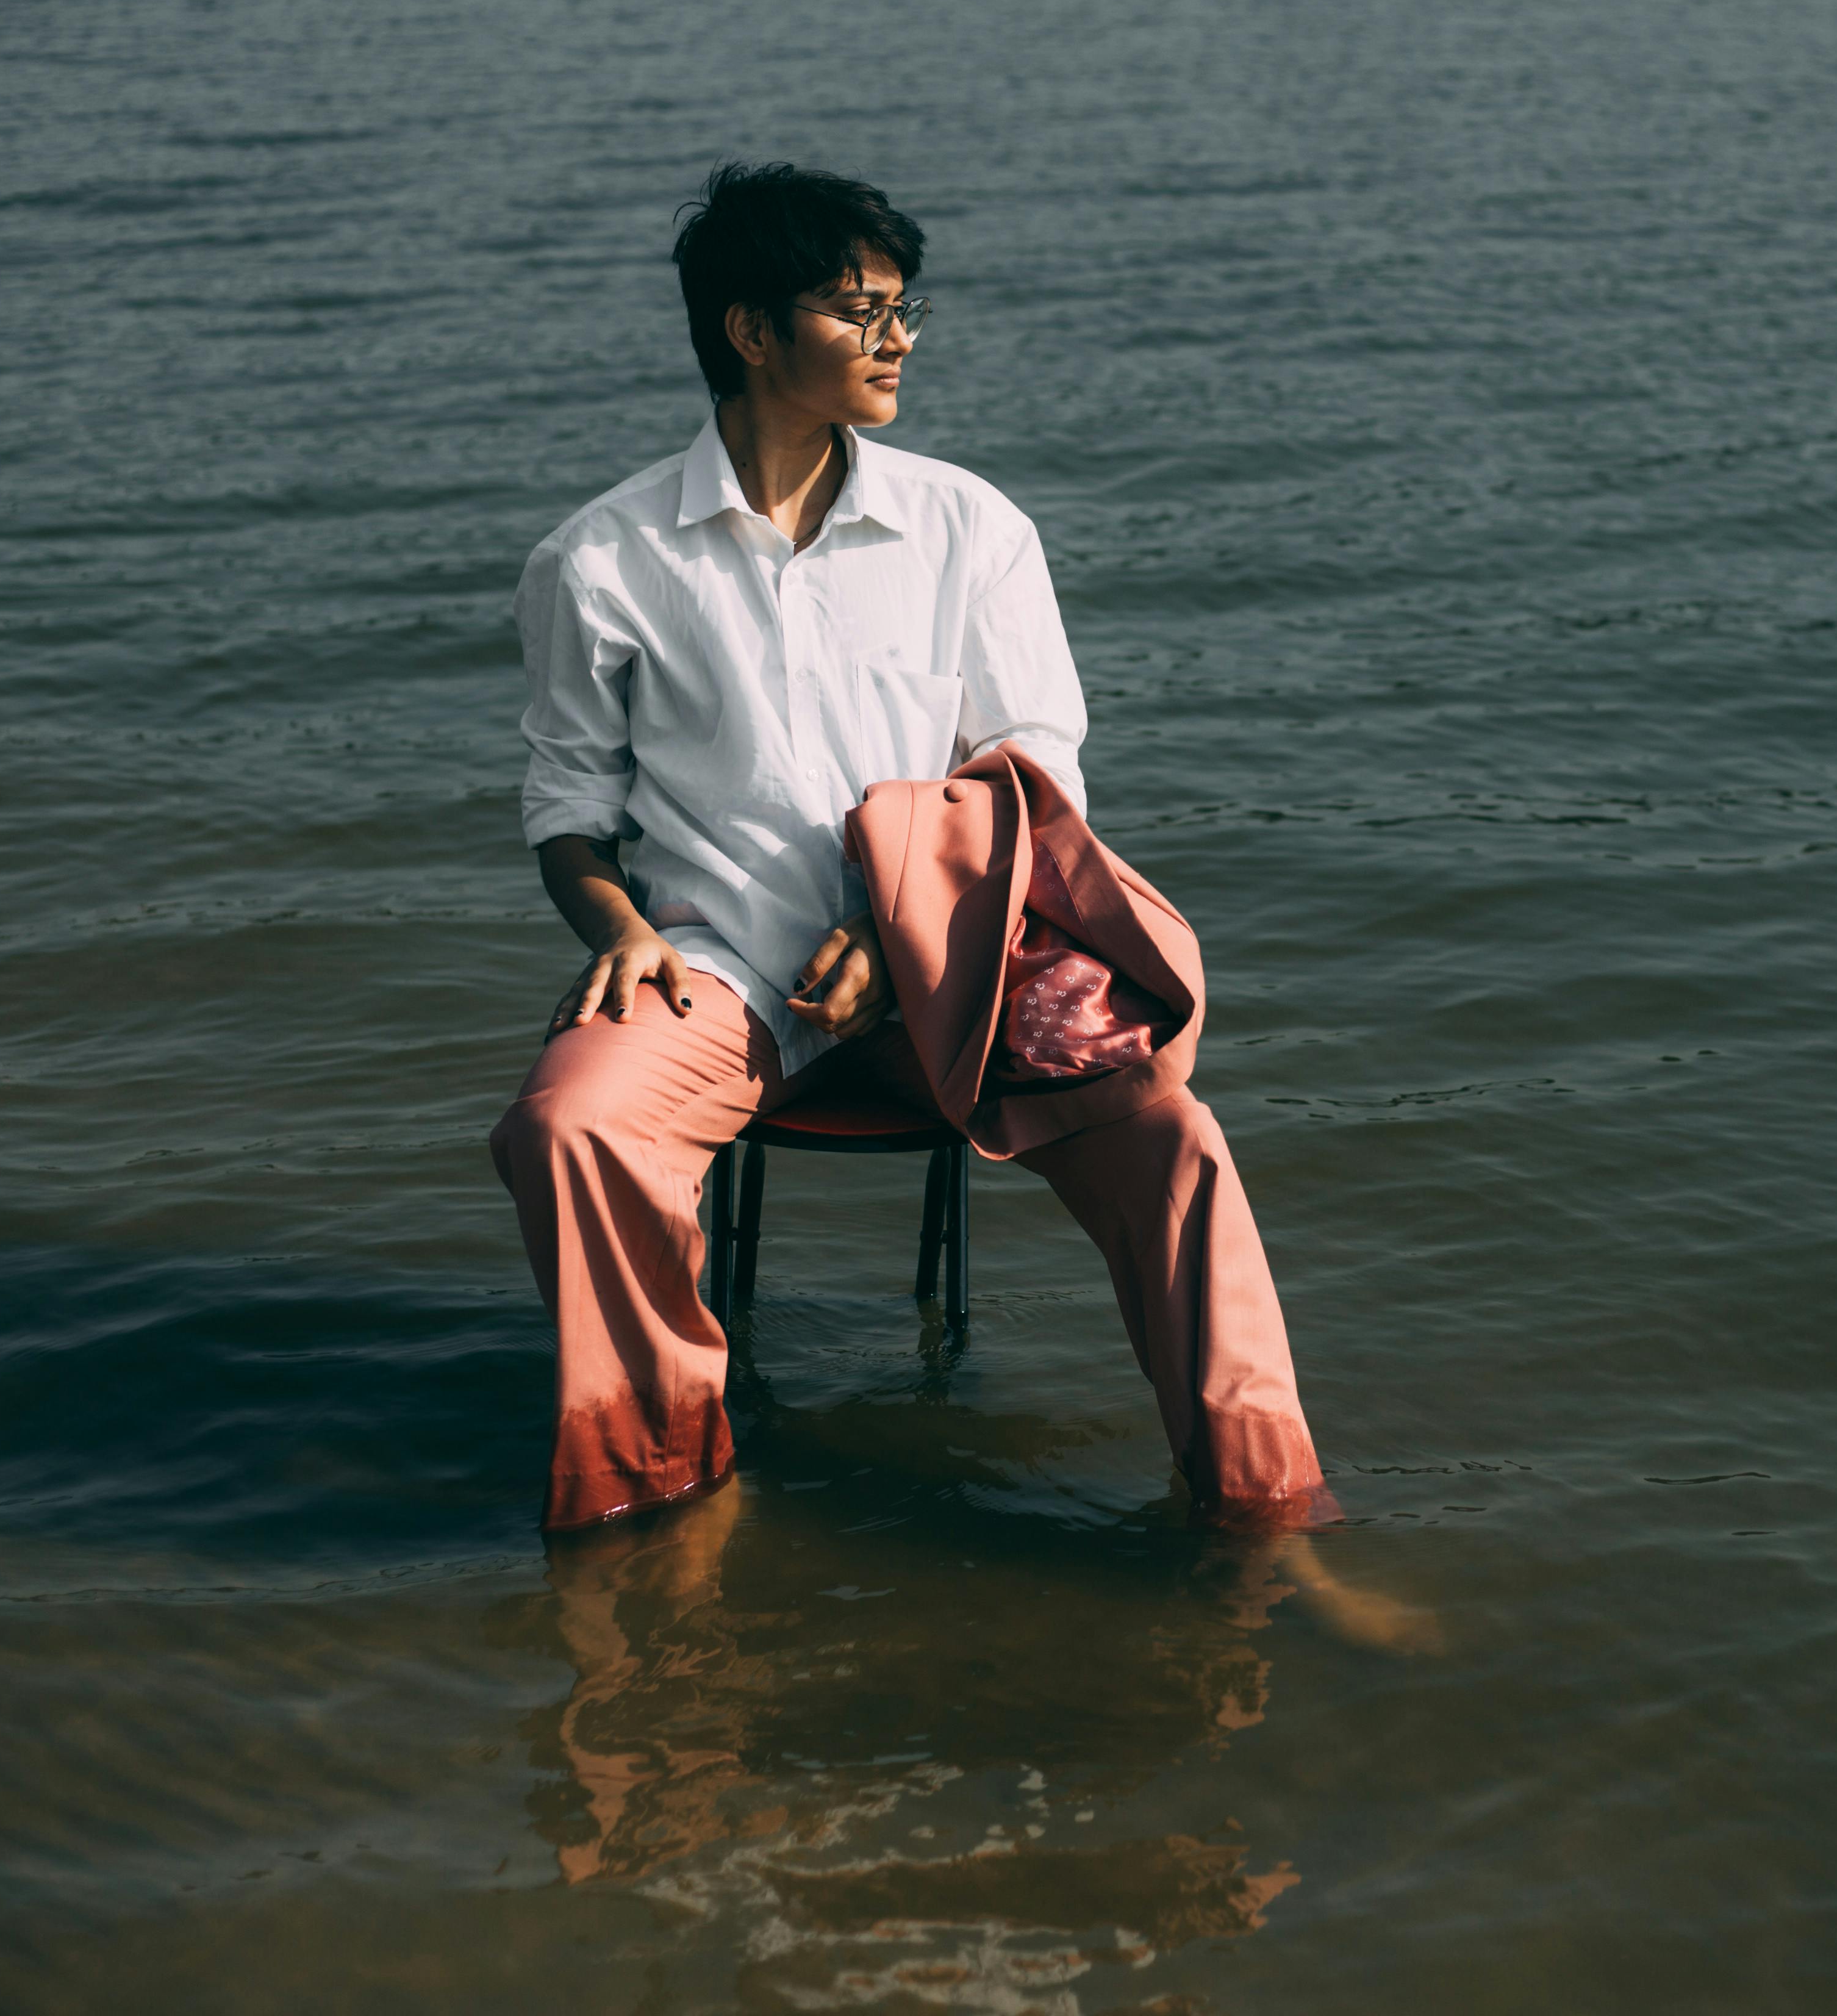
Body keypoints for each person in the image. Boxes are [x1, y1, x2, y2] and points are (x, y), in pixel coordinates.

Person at [487, 163, 1345, 1552]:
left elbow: (1036, 776)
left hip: (962, 972)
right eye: (858, 310)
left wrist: (900, 943)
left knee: (1178, 1144)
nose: (897, 340)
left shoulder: (971, 529)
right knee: (568, 1126)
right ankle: (657, 1495)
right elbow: (568, 809)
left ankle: (1267, 1520)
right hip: (719, 975)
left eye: (904, 310)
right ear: (751, 330)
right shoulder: (601, 561)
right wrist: (619, 932)